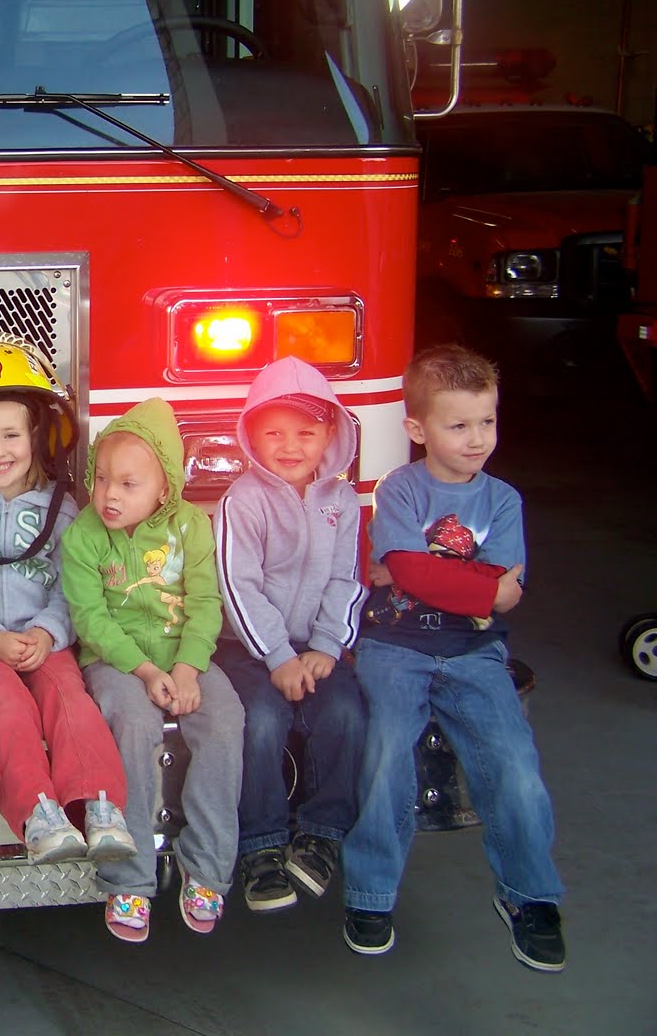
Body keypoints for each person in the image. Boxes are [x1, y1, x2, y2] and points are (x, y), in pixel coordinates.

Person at [342, 344, 565, 971]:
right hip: (394, 647)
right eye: (458, 424)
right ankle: (370, 893)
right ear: (417, 429)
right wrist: (480, 586)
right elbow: (425, 573)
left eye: (487, 421)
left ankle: (530, 897)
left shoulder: (502, 500)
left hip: (475, 652)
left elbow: (510, 591)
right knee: (386, 753)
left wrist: (437, 579)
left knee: (515, 764)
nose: (477, 439)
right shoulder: (400, 489)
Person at [0, 335, 135, 908]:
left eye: (10, 434)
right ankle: (37, 813)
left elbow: (74, 590)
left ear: (36, 437)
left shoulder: (63, 510)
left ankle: (96, 805)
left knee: (68, 694)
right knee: (4, 702)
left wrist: (47, 633)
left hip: (42, 639)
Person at [63, 397, 243, 943]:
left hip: (183, 654)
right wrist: (143, 672)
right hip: (118, 660)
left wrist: (189, 669)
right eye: (102, 480)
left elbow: (205, 603)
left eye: (128, 484)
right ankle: (130, 876)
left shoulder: (190, 527)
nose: (110, 495)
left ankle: (207, 865)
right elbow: (90, 620)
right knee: (133, 724)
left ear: (165, 488)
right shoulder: (84, 536)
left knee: (225, 719)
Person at [211, 357, 367, 914]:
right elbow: (238, 587)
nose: (290, 445)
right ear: (250, 434)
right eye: (273, 432)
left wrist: (327, 646)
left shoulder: (343, 503)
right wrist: (278, 656)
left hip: (317, 648)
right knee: (263, 720)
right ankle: (260, 846)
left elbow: (347, 578)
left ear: (330, 434)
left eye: (306, 432)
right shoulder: (241, 502)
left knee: (346, 713)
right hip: (250, 650)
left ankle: (323, 833)